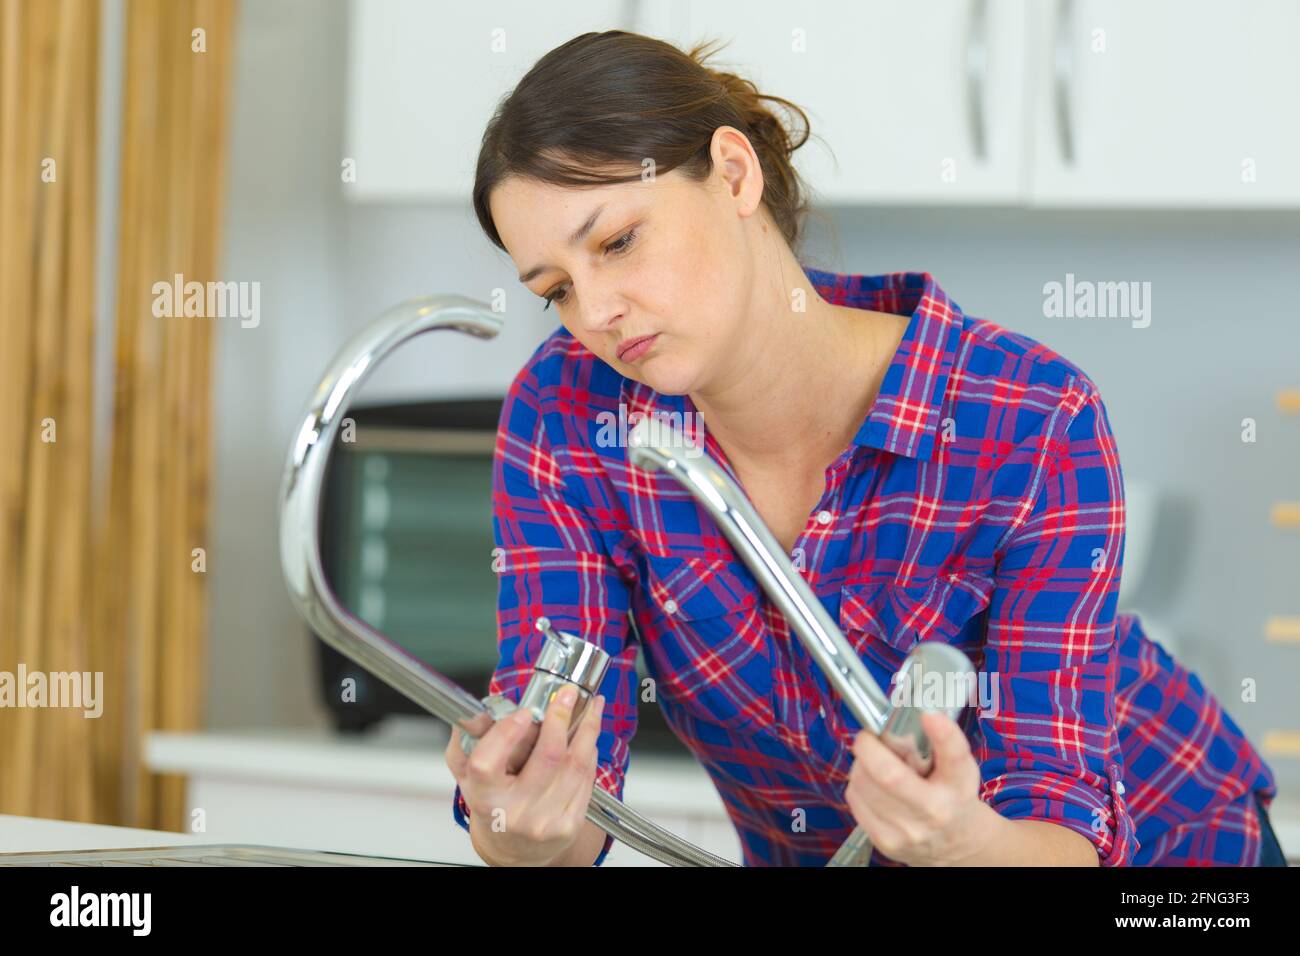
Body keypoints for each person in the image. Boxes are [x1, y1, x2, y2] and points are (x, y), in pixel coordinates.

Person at [443, 30, 1280, 867]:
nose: (594, 312)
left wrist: (959, 840)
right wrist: (515, 820)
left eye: (618, 242)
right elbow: (569, 802)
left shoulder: (1029, 416)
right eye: (555, 290)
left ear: (733, 175)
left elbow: (1062, 828)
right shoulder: (565, 417)